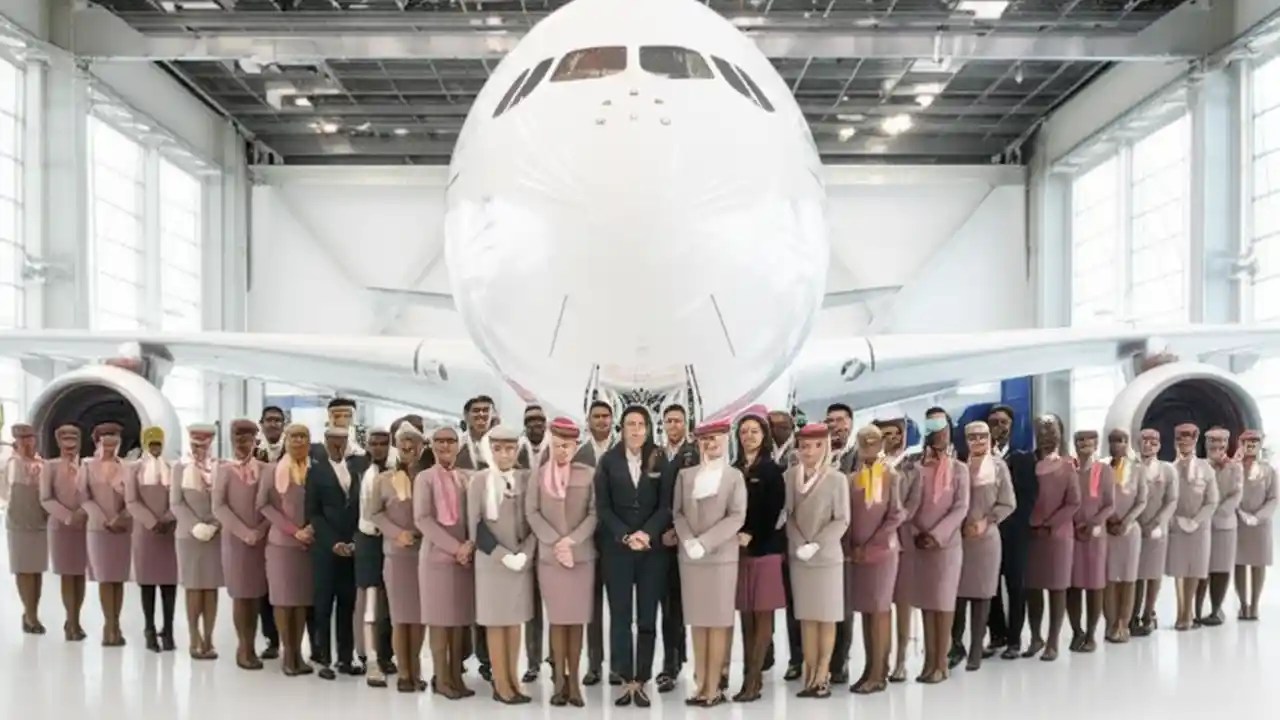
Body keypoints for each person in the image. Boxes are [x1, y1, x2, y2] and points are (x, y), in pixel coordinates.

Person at [596, 405, 671, 707]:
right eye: (630, 424)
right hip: (618, 551)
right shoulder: (608, 461)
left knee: (647, 617)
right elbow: (603, 508)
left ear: (649, 428)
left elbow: (666, 505)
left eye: (641, 424)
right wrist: (626, 535)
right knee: (620, 617)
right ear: (622, 428)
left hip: (652, 551)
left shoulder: (660, 457)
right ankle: (625, 678)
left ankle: (642, 679)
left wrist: (647, 534)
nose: (636, 429)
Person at [672, 418, 746, 708]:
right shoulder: (685, 476)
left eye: (715, 439)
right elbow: (677, 513)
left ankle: (714, 686)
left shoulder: (734, 477)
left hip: (721, 559)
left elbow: (736, 516)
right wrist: (689, 540)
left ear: (725, 441)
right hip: (690, 559)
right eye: (705, 439)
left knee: (717, 622)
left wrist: (705, 542)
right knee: (698, 622)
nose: (710, 444)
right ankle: (700, 682)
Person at [525, 417, 597, 707]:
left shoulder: (588, 474)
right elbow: (532, 512)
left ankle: (575, 681)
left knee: (576, 621)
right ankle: (558, 682)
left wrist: (572, 541)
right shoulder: (538, 475)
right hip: (551, 558)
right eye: (557, 445)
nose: (562, 451)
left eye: (567, 446)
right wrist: (555, 541)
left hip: (580, 558)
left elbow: (594, 513)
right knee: (557, 621)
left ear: (576, 445)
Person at [468, 426, 537, 704]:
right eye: (498, 448)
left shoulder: (526, 479)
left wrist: (525, 554)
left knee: (514, 622)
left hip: (520, 562)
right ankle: (501, 684)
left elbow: (535, 519)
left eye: (510, 448)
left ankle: (514, 679)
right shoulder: (479, 481)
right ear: (489, 450)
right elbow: (476, 527)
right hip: (492, 565)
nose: (504, 454)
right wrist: (503, 556)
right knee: (496, 624)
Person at [903, 408, 969, 684]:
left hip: (947, 546)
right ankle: (928, 661)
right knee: (927, 604)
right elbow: (908, 505)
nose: (939, 436)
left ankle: (941, 661)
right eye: (933, 431)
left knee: (943, 604)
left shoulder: (959, 469)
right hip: (920, 545)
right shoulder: (916, 468)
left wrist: (937, 535)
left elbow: (960, 507)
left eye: (943, 431)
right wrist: (918, 532)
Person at [785, 422, 849, 699]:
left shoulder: (837, 479)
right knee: (807, 618)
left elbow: (842, 518)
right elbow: (787, 515)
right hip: (800, 557)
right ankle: (809, 673)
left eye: (816, 446)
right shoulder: (789, 477)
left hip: (826, 558)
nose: (809, 451)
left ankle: (823, 674)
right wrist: (800, 544)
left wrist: (817, 544)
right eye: (804, 446)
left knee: (827, 617)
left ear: (826, 448)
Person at [415, 426, 476, 700]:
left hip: (464, 561)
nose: (444, 446)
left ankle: (456, 677)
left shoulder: (467, 478)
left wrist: (469, 545)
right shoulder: (424, 478)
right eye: (439, 441)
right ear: (432, 444)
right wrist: (456, 548)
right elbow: (423, 519)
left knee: (459, 622)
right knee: (440, 623)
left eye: (450, 441)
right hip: (437, 560)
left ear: (458, 445)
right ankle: (441, 679)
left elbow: (477, 515)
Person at [844, 425, 904, 694]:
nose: (869, 446)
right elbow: (847, 517)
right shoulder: (851, 479)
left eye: (873, 441)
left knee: (880, 610)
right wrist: (850, 547)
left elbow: (896, 515)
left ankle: (880, 672)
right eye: (864, 441)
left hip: (882, 553)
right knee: (867, 612)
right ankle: (870, 667)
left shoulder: (892, 476)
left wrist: (871, 545)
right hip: (857, 555)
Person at [950, 421, 1014, 672]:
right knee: (958, 595)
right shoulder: (959, 467)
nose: (978, 441)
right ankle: (955, 646)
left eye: (982, 437)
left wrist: (986, 521)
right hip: (960, 540)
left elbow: (1008, 503)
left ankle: (977, 648)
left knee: (982, 594)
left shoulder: (998, 467)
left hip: (986, 540)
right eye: (972, 437)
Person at [369, 423, 428, 693]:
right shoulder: (384, 479)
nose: (407, 448)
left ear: (421, 447)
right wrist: (396, 534)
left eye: (412, 444)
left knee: (419, 617)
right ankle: (404, 672)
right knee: (400, 616)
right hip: (396, 555)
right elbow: (375, 513)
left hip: (425, 555)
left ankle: (416, 668)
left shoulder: (428, 479)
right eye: (403, 443)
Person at [731, 412, 786, 701]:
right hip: (737, 552)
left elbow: (774, 511)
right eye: (744, 432)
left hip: (764, 549)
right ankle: (749, 677)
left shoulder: (771, 470)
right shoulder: (733, 469)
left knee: (763, 616)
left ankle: (753, 680)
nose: (749, 436)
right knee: (746, 618)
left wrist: (752, 533)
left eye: (754, 431)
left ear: (764, 435)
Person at [307, 426, 369, 679]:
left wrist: (354, 540)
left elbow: (362, 509)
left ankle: (345, 657)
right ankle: (323, 658)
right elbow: (313, 513)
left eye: (342, 441)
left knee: (347, 604)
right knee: (323, 604)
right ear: (325, 441)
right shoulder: (316, 473)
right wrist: (332, 542)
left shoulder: (357, 470)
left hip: (351, 548)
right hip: (325, 548)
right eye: (333, 440)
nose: (337, 445)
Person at [214, 419, 272, 669]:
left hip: (260, 541)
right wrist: (243, 532)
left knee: (256, 595)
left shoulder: (266, 470)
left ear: (254, 440)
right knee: (240, 595)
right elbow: (218, 506)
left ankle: (253, 643)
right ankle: (243, 646)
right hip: (235, 542)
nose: (242, 442)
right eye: (238, 438)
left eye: (247, 438)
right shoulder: (224, 470)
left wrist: (259, 531)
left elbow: (272, 505)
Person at [260, 423, 317, 676]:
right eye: (293, 436)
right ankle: (287, 653)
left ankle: (298, 653)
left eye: (303, 436)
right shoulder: (273, 470)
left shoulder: (316, 470)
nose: (298, 441)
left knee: (302, 601)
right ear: (286, 439)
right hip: (282, 544)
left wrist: (312, 528)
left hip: (309, 544)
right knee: (284, 601)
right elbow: (264, 505)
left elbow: (324, 503)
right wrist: (294, 530)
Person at [1023, 414, 1081, 661]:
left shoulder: (1068, 466)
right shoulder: (1028, 464)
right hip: (1032, 535)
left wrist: (1050, 524)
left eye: (1051, 429)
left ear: (1061, 432)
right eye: (1042, 429)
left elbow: (1074, 502)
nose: (1047, 434)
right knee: (1032, 588)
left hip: (1058, 536)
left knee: (1057, 588)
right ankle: (1036, 637)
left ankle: (1054, 641)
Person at [982, 404, 1037, 659]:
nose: (999, 427)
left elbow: (1028, 498)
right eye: (993, 422)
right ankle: (997, 635)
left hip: (1014, 534)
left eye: (1003, 422)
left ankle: (1015, 639)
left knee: (1016, 586)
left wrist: (1011, 523)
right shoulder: (978, 459)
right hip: (986, 533)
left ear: (1011, 426)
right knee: (989, 585)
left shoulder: (1023, 458)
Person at [657, 403, 699, 694]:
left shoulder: (693, 455)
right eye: (669, 421)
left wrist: (681, 531)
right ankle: (671, 661)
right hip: (661, 541)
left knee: (685, 605)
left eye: (678, 421)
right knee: (668, 604)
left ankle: (682, 659)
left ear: (686, 425)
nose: (673, 426)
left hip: (686, 538)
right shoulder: (656, 455)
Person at [125, 426, 178, 653]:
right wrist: (151, 521)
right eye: (152, 443)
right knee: (147, 583)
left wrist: (167, 518)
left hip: (168, 534)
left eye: (158, 443)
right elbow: (131, 501)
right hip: (145, 534)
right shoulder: (134, 469)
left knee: (169, 584)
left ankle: (168, 629)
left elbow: (177, 498)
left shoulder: (172, 469)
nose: (155, 448)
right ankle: (149, 628)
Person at [172, 423, 223, 659]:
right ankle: (194, 636)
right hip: (188, 535)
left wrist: (214, 525)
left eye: (204, 444)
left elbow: (227, 501)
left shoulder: (221, 467)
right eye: (195, 444)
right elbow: (176, 502)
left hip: (215, 535)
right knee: (193, 588)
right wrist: (195, 526)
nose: (199, 448)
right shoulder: (180, 468)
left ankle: (210, 637)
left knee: (210, 589)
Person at [80, 422, 133, 647]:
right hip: (99, 529)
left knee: (118, 578)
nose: (111, 445)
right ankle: (108, 624)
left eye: (115, 441)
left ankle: (117, 623)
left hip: (121, 528)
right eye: (106, 440)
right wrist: (103, 519)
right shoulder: (88, 465)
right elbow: (84, 496)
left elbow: (133, 498)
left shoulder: (127, 467)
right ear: (97, 441)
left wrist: (123, 516)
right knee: (104, 578)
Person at [578, 399, 617, 688]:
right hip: (587, 539)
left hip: (616, 540)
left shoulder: (624, 450)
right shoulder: (579, 453)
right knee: (590, 607)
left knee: (619, 606)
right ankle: (594, 664)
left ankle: (618, 665)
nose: (602, 421)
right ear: (588, 420)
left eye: (606, 416)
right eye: (597, 417)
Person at [1066, 430, 1115, 653]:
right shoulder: (1068, 469)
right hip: (1071, 534)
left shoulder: (1104, 470)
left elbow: (1109, 504)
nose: (1085, 444)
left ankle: (1092, 633)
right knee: (1072, 585)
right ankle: (1077, 631)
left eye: (1089, 440)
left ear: (1096, 444)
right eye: (1080, 440)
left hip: (1095, 536)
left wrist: (1094, 522)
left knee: (1095, 585)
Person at [355, 427, 396, 687]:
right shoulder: (360, 471)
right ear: (367, 445)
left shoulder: (397, 472)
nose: (378, 447)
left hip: (391, 540)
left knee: (392, 601)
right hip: (367, 540)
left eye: (383, 443)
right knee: (370, 601)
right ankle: (369, 657)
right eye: (374, 443)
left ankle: (387, 654)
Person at [41, 424, 88, 641]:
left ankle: (75, 617)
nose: (70, 446)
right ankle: (72, 620)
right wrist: (68, 515)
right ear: (58, 442)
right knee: (67, 575)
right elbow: (45, 498)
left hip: (84, 527)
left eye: (74, 440)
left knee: (80, 575)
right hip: (61, 528)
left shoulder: (86, 466)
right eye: (65, 440)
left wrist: (84, 511)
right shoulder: (49, 467)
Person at [1102, 429, 1147, 644]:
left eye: (1121, 441)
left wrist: (1126, 521)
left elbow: (1142, 501)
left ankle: (1123, 622)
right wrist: (1108, 519)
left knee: (1128, 578)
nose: (1116, 444)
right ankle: (1110, 623)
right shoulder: (1099, 469)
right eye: (1112, 440)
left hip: (1129, 531)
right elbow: (1095, 497)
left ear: (1127, 443)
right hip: (1107, 530)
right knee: (1109, 578)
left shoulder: (1137, 469)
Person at [1131, 428, 1177, 636]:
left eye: (1153, 441)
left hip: (1157, 530)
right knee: (1136, 574)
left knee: (1153, 573)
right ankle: (1132, 614)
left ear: (1159, 445)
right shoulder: (1131, 468)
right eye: (1144, 441)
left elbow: (1171, 500)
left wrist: (1158, 523)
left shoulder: (1167, 471)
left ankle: (1149, 613)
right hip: (1134, 528)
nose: (1148, 445)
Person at [6, 423, 48, 634]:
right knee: (23, 569)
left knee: (37, 569)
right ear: (15, 441)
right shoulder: (9, 462)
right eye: (21, 439)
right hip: (18, 522)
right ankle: (30, 614)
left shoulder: (42, 464)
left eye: (29, 438)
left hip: (39, 521)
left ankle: (32, 611)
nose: (26, 442)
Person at [1196, 427, 1241, 626]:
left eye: (1220, 442)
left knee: (1220, 568)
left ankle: (1216, 609)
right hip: (1201, 525)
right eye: (1212, 442)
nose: (1216, 446)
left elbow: (1236, 494)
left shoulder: (1234, 468)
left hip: (1224, 524)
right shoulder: (1198, 467)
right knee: (1200, 568)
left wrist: (1216, 510)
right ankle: (1195, 610)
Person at [254, 406, 287, 658]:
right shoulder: (253, 452)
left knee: (291, 585)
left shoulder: (295, 450)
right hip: (260, 527)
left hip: (288, 528)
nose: (274, 424)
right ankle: (271, 639)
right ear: (261, 423)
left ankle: (296, 641)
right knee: (264, 588)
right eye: (269, 420)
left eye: (278, 420)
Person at [1234, 429, 1275, 620]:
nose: (1250, 446)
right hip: (1238, 522)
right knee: (1239, 563)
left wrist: (1258, 517)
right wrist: (1238, 512)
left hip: (1260, 524)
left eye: (1254, 443)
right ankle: (1243, 604)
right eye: (1246, 443)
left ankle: (1255, 604)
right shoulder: (1234, 469)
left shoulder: (1268, 471)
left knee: (1258, 564)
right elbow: (1228, 492)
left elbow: (1273, 498)